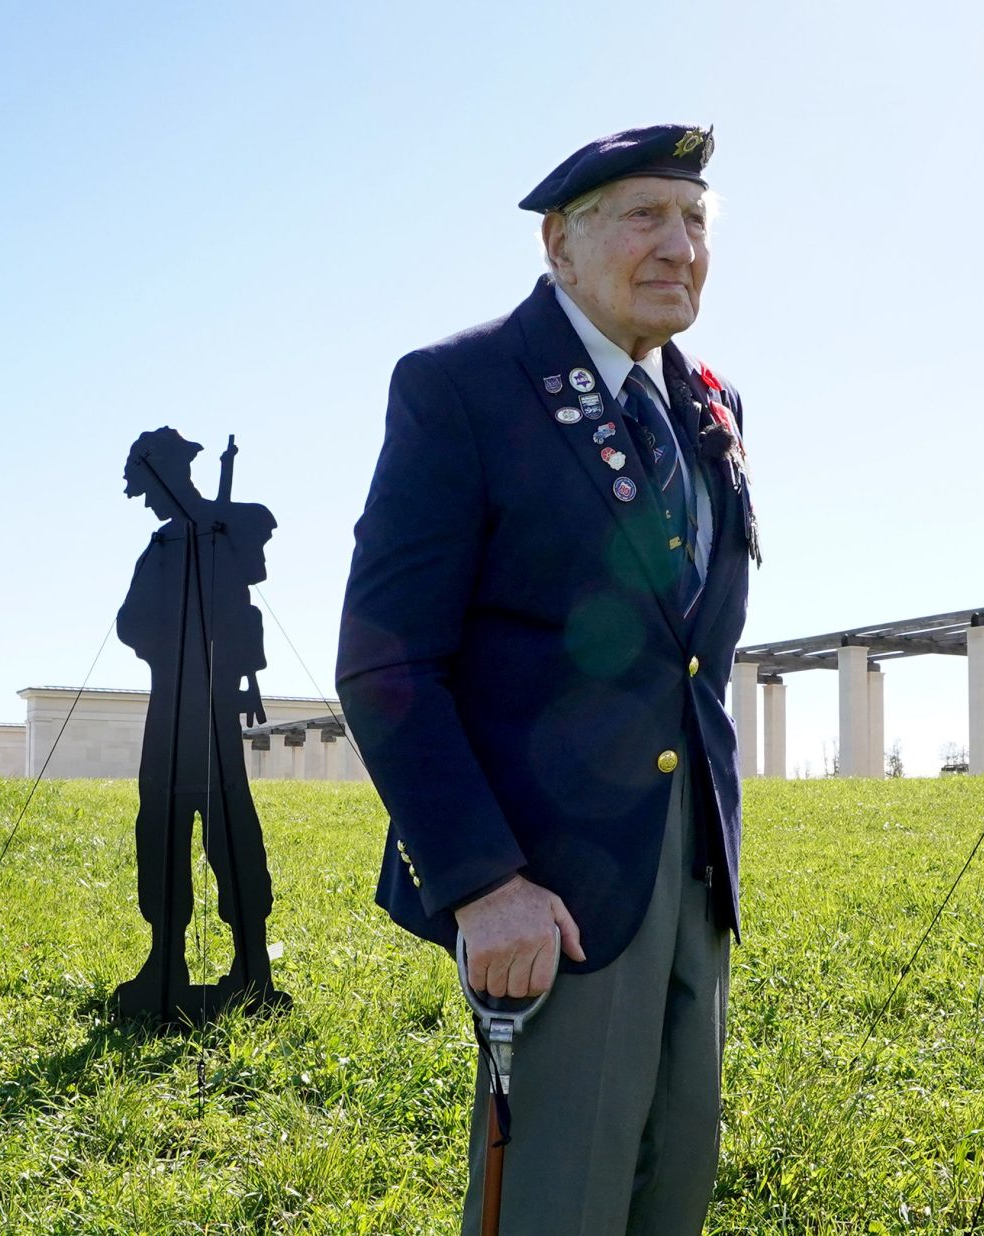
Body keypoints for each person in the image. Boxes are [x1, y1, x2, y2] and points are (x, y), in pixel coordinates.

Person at [337, 124, 756, 1234]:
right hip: (547, 885)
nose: (680, 246)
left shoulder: (710, 403)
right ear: (559, 244)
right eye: (645, 216)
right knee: (558, 1195)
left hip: (690, 865)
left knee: (674, 1175)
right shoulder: (463, 388)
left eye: (696, 220)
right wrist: (483, 884)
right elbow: (386, 661)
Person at [114, 428, 286, 1021]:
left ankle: (251, 964)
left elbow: (247, 587)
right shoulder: (163, 545)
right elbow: (132, 623)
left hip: (210, 704)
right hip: (170, 702)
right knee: (160, 828)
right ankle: (166, 959)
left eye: (147, 489)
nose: (147, 503)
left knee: (230, 827)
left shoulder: (231, 525)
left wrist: (216, 531)